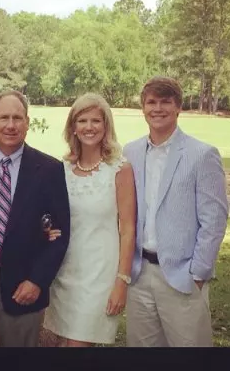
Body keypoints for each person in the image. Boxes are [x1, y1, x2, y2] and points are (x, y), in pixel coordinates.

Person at [0, 90, 71, 347]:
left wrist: (38, 280)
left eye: (17, 118)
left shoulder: (49, 169)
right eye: (3, 117)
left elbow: (60, 236)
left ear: (27, 122)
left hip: (25, 279)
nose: (10, 125)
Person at [123, 76, 229, 347]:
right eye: (151, 102)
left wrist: (198, 273)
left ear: (178, 107)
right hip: (139, 273)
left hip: (183, 277)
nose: (157, 109)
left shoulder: (202, 154)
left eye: (166, 102)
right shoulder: (130, 152)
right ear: (143, 108)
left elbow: (214, 220)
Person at [43, 93, 136, 347]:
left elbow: (127, 230)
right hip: (64, 274)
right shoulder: (62, 170)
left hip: (100, 276)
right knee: (63, 344)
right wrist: (47, 231)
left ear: (106, 126)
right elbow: (52, 218)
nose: (89, 127)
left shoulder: (119, 169)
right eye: (82, 120)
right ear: (73, 127)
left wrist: (122, 281)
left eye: (96, 120)